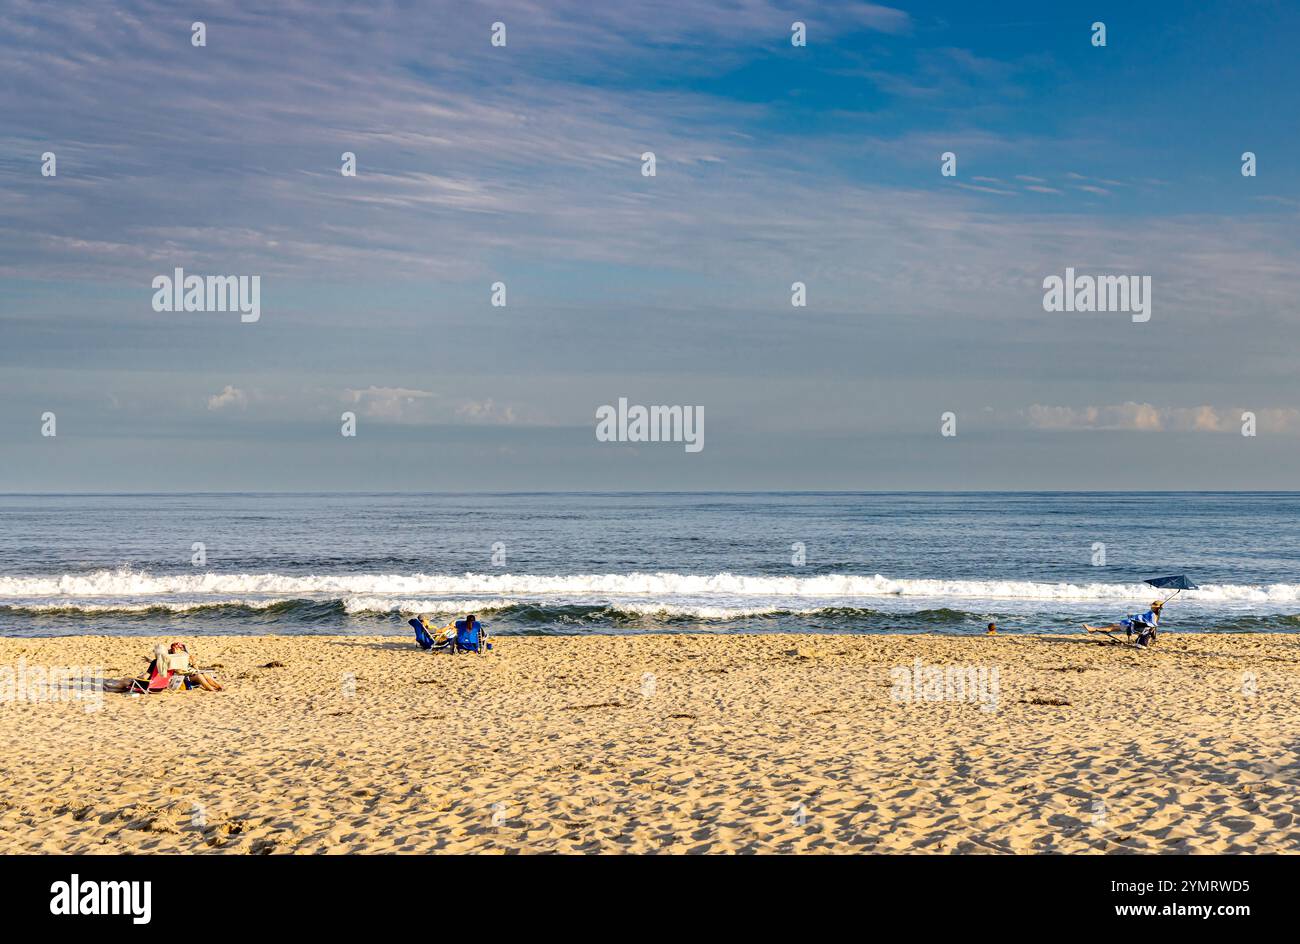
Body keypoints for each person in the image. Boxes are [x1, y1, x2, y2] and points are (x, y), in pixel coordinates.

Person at [1084, 600, 1163, 648]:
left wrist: (1135, 621)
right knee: (1113, 625)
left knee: (1113, 626)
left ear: (1156, 608)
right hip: (1134, 624)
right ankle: (1094, 630)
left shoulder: (1153, 615)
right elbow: (1148, 622)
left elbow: (1151, 625)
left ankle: (1093, 629)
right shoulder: (1154, 613)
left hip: (1134, 626)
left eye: (1154, 606)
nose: (1152, 607)